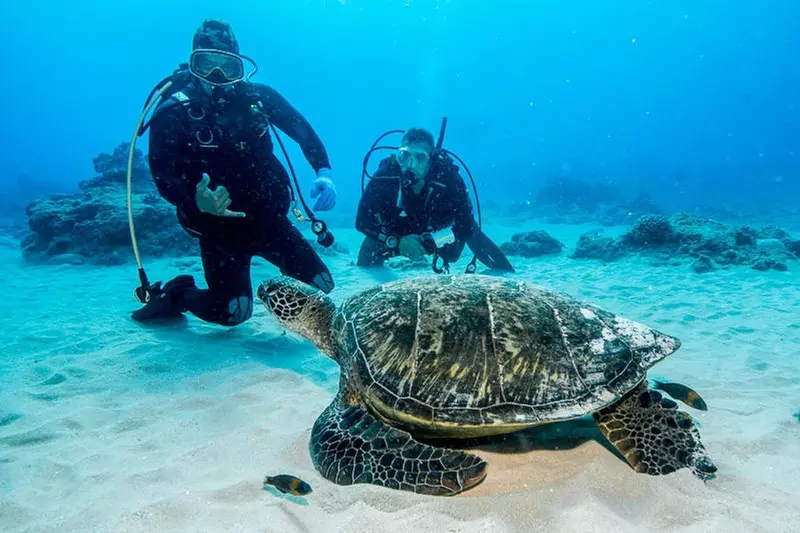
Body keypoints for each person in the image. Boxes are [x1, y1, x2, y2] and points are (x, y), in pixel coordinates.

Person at [132, 19, 337, 326]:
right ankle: (178, 295)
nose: (216, 76)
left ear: (239, 66)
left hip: (269, 220)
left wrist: (324, 172)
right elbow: (161, 173)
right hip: (219, 228)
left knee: (321, 287)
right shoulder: (174, 110)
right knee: (233, 312)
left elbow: (302, 130)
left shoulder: (260, 98)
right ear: (192, 64)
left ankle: (271, 295)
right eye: (206, 64)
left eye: (226, 66)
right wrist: (194, 199)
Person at [355, 127, 477, 268]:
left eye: (420, 158)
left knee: (453, 253)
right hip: (397, 230)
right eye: (405, 156)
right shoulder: (387, 173)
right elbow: (362, 221)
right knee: (369, 250)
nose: (410, 165)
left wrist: (432, 242)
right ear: (398, 155)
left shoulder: (449, 177)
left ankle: (502, 268)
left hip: (437, 228)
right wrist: (396, 240)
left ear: (431, 159)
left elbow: (466, 225)